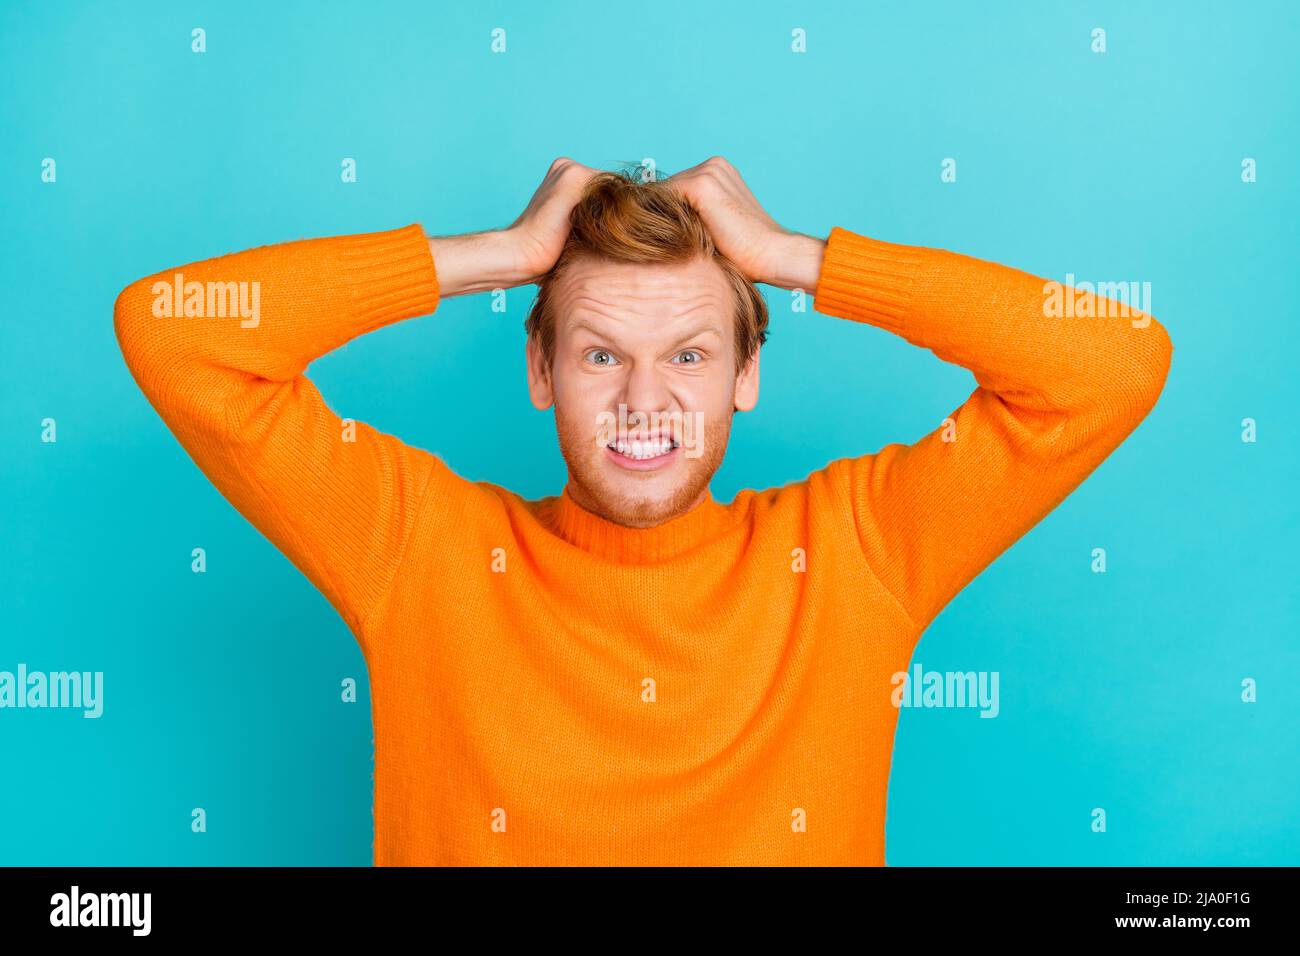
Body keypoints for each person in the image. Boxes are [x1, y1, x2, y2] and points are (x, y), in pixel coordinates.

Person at [114, 156, 1173, 865]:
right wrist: (500, 255)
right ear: (541, 368)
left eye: (690, 354)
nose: (643, 401)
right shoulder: (419, 544)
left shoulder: (855, 547)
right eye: (600, 352)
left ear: (745, 374)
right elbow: (174, 332)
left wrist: (791, 259)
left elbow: (1111, 363)